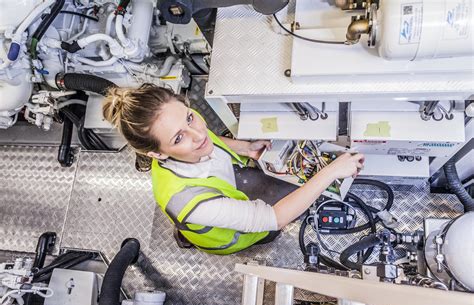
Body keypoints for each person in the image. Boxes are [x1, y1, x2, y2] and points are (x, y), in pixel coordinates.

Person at [102, 83, 365, 255]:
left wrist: (245, 148)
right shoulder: (192, 203)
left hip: (223, 195)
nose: (197, 134)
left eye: (190, 117)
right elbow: (273, 218)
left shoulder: (194, 139)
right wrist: (330, 172)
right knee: (286, 212)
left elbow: (211, 140)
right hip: (231, 237)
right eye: (178, 138)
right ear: (157, 154)